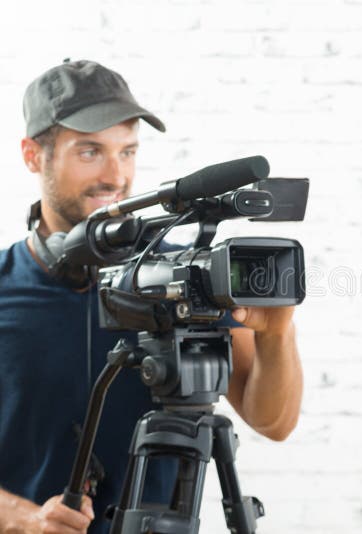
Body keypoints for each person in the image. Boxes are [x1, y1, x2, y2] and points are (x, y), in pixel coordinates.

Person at [0, 59, 304, 534]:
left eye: (127, 152)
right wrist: (25, 520)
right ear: (32, 156)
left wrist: (277, 332)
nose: (114, 175)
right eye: (89, 152)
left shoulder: (186, 274)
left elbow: (273, 422)